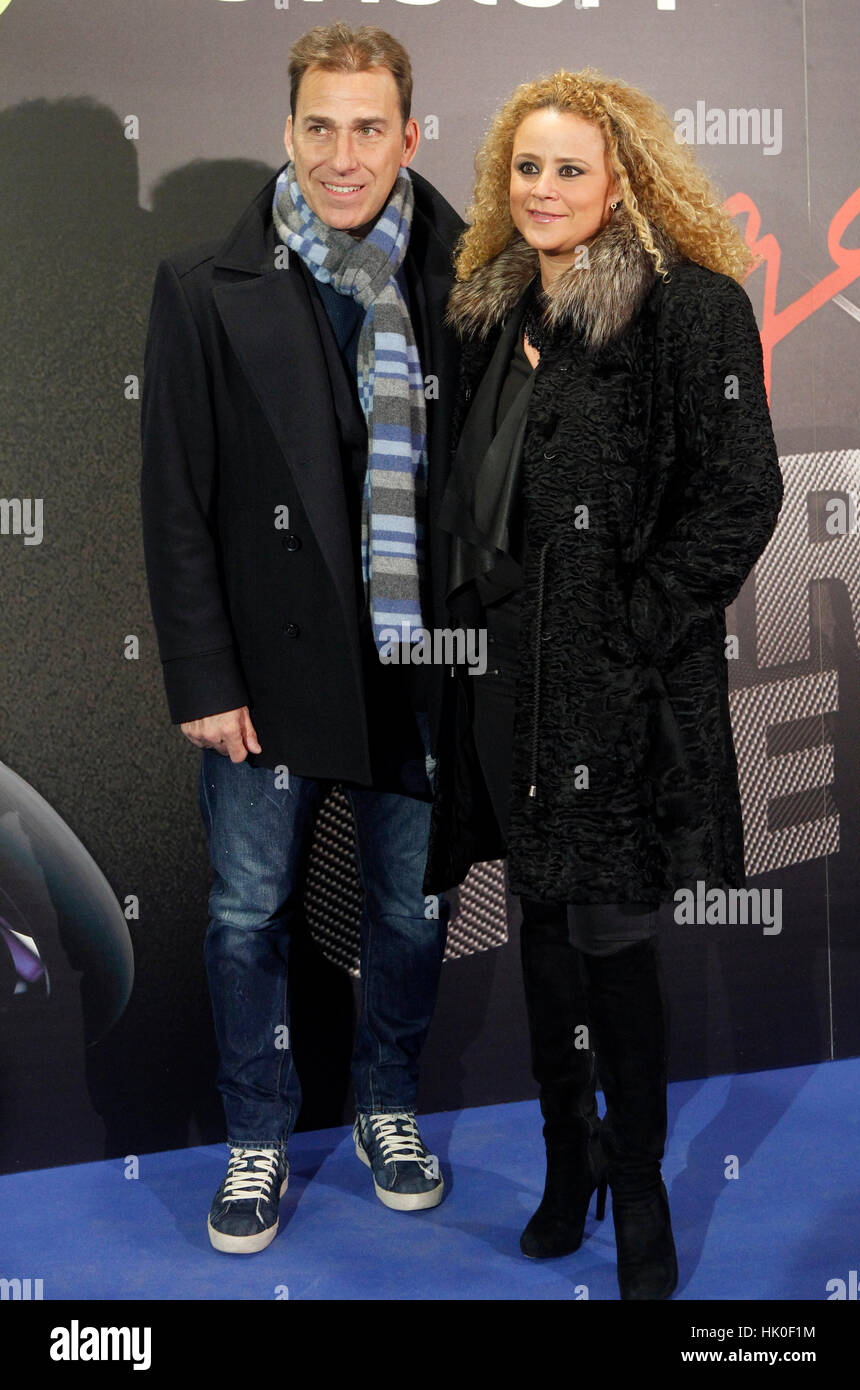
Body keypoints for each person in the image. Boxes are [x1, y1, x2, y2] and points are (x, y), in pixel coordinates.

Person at [424, 68, 784, 1299]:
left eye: (567, 166)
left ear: (621, 176)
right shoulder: (488, 310)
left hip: (623, 698)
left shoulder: (692, 312)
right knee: (539, 933)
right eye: (524, 166)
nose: (541, 188)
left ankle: (636, 1186)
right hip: (511, 691)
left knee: (613, 940)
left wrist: (636, 620)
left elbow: (742, 491)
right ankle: (562, 1164)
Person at [140, 23, 464, 1254]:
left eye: (367, 127)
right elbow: (174, 501)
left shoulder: (470, 273)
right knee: (245, 914)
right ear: (287, 133)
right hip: (265, 680)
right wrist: (205, 674)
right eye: (319, 127)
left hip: (420, 669)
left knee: (409, 911)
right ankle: (257, 1137)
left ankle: (386, 1105)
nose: (342, 156)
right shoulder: (198, 286)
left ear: (407, 135)